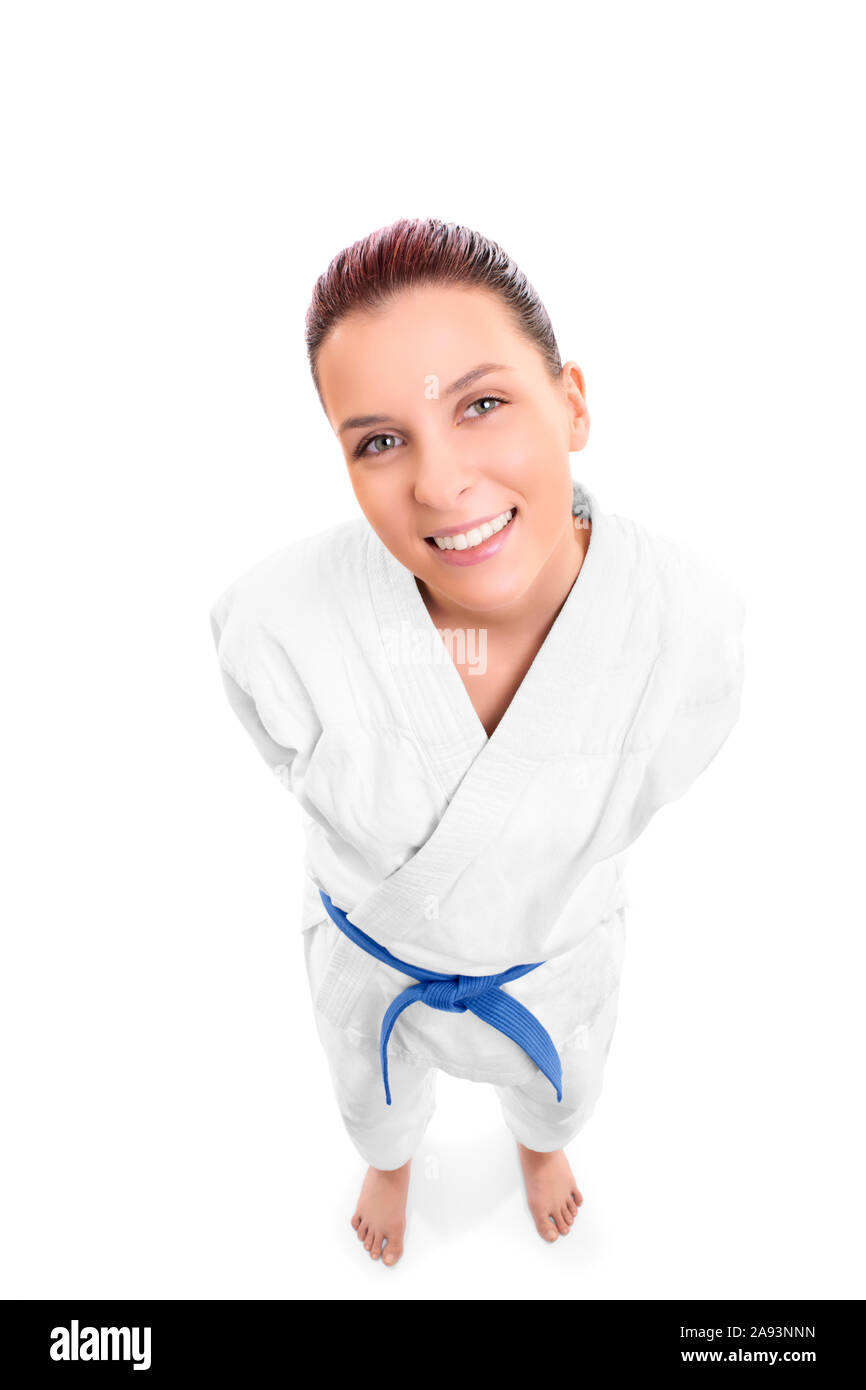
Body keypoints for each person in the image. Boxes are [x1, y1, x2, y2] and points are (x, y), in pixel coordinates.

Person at [209, 218, 745, 1267]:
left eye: (482, 404)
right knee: (369, 1091)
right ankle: (391, 1159)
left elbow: (660, 782)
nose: (440, 483)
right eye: (377, 439)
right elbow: (282, 758)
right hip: (375, 965)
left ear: (572, 402)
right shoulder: (273, 617)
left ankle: (538, 1144)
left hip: (553, 966)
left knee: (563, 1086)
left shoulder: (688, 621)